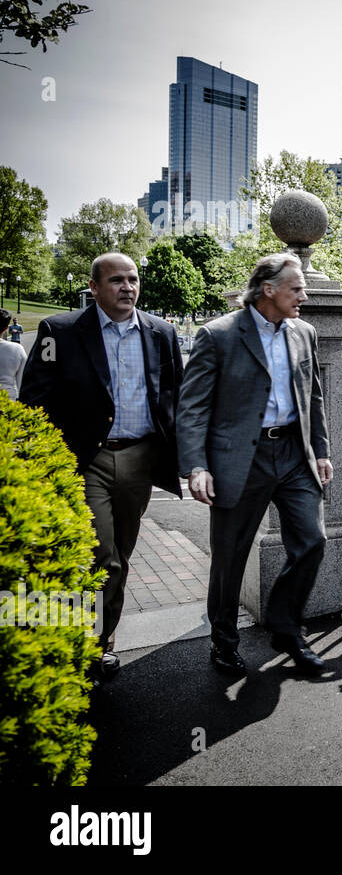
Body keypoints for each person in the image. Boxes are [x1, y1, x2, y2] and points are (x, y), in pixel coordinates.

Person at [18, 254, 184, 681]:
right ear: (94, 287)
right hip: (86, 460)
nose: (127, 287)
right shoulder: (61, 331)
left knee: (121, 555)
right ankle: (93, 644)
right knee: (101, 556)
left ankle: (98, 635)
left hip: (141, 461)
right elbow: (35, 400)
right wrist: (38, 460)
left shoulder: (162, 333)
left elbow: (175, 398)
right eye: (116, 280)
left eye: (133, 279)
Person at [176, 253, 332, 677]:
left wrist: (320, 451)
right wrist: (196, 466)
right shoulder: (219, 334)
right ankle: (223, 642)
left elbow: (313, 397)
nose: (303, 295)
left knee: (312, 541)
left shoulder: (305, 333)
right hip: (240, 459)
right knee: (230, 558)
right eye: (296, 288)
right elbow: (191, 407)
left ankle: (285, 627)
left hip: (294, 457)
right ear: (268, 290)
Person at [0, 308, 25, 398]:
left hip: (17, 340)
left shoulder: (19, 326)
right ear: (6, 328)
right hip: (8, 399)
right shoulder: (18, 350)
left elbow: (22, 332)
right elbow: (21, 381)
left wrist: (17, 331)